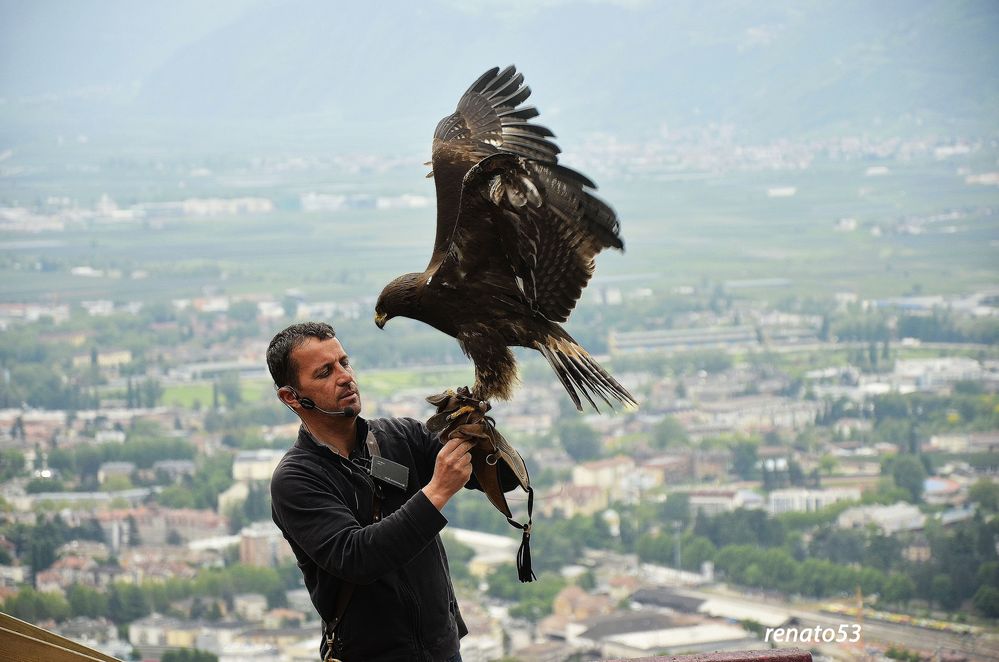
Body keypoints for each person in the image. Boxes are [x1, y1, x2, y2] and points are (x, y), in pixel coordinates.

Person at [267, 321, 475, 662]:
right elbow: (357, 556)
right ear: (291, 396)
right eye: (324, 372)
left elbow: (501, 483)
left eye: (344, 363)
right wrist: (437, 491)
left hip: (442, 650)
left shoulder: (402, 436)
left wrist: (478, 435)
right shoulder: (296, 480)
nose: (345, 377)